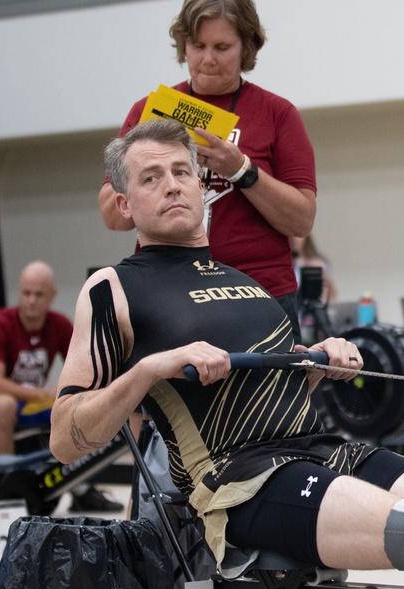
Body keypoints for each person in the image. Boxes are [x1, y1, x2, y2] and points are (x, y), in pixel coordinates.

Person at [52, 120, 404, 581]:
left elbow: (264, 392)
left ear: (202, 187)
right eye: (151, 178)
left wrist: (319, 362)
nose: (173, 185)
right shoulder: (111, 288)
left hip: (321, 451)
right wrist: (149, 370)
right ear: (124, 204)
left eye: (182, 172)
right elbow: (65, 437)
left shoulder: (246, 284)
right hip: (242, 480)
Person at [97, 0, 316, 341]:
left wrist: (241, 169)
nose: (207, 58)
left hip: (260, 290)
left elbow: (302, 220)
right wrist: (156, 171)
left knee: (265, 396)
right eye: (198, 46)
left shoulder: (278, 113)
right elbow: (114, 217)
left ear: (246, 48)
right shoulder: (148, 111)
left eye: (222, 47)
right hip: (166, 288)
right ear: (184, 45)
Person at [0, 261, 121, 512]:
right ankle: (0, 491)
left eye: (39, 294)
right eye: (26, 293)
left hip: (36, 404)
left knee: (79, 403)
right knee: (3, 405)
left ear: (51, 296)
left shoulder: (59, 324)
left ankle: (80, 488)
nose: (31, 300)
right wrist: (44, 393)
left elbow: (86, 368)